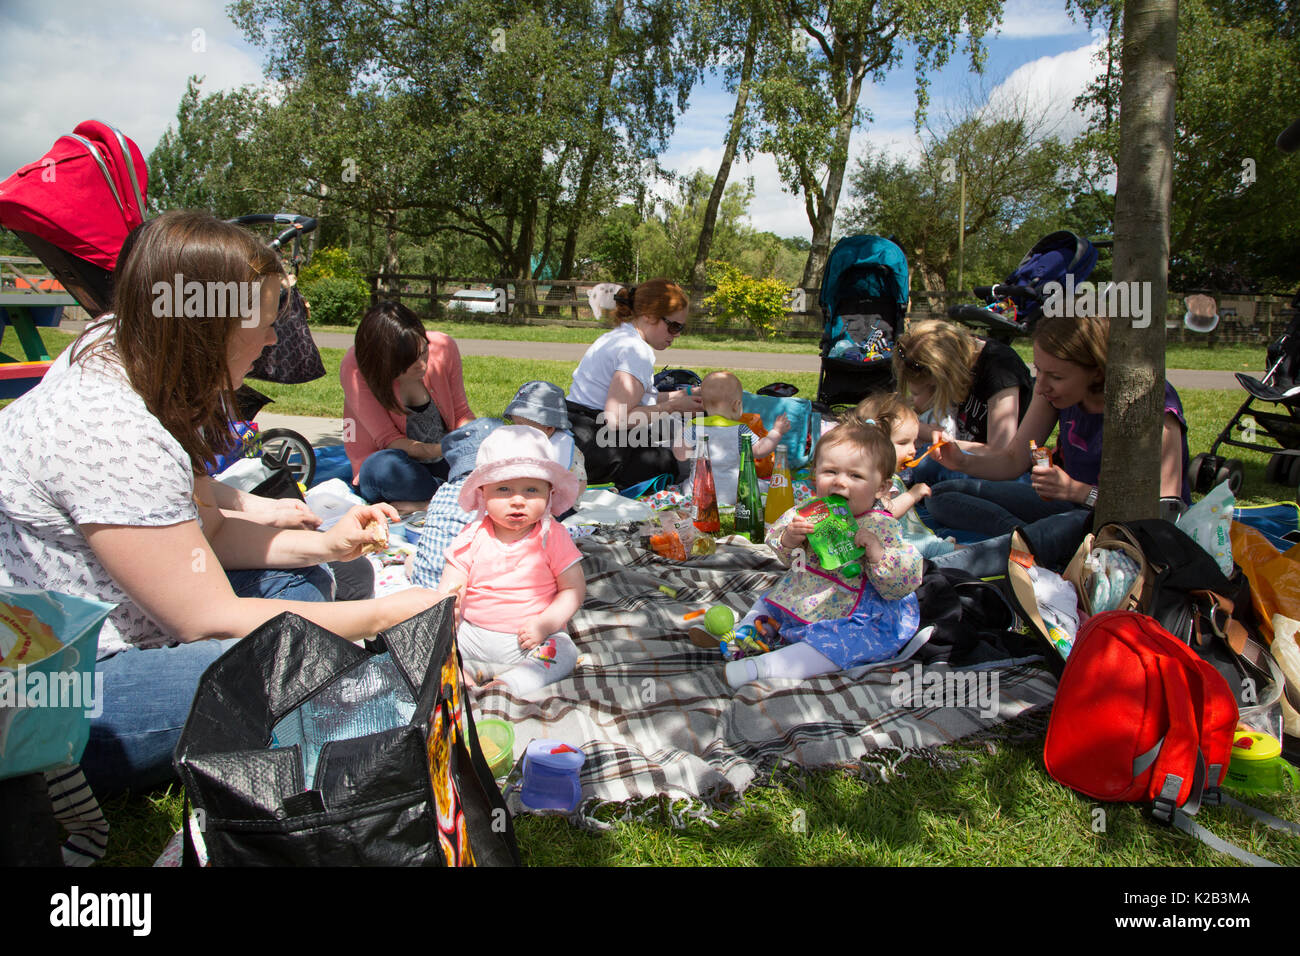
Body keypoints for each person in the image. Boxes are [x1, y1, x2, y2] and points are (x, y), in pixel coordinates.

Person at [0, 211, 443, 794]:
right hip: (65, 684)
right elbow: (205, 616)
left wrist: (324, 544)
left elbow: (195, 533)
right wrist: (386, 616)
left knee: (326, 580)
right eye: (262, 321)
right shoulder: (111, 431)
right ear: (205, 327)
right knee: (300, 657)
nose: (271, 339)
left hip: (143, 611)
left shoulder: (122, 347)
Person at [925, 312, 1190, 553]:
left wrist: (1079, 492)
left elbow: (1163, 512)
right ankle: (1029, 544)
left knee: (1061, 527)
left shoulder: (1150, 405)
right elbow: (1014, 460)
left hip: (1113, 524)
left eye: (1056, 376)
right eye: (1038, 371)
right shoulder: (1055, 396)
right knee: (940, 495)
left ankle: (1013, 548)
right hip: (1068, 506)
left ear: (1097, 373)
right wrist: (962, 461)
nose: (1040, 387)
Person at [721, 421, 922, 688]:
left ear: (881, 489)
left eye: (855, 476)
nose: (840, 481)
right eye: (830, 471)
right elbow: (784, 552)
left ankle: (762, 668)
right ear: (815, 474)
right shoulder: (809, 511)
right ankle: (741, 636)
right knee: (768, 601)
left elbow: (905, 579)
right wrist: (790, 539)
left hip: (855, 616)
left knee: (839, 643)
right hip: (805, 595)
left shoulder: (880, 525)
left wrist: (877, 554)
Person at [436, 426, 585, 694]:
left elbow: (573, 589)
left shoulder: (553, 536)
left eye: (531, 490)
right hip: (472, 634)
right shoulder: (471, 536)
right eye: (503, 489)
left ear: (549, 494)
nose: (518, 501)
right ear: (483, 493)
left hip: (530, 638)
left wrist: (547, 623)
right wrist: (451, 601)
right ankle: (463, 670)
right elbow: (451, 585)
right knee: (434, 638)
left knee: (564, 651)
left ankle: (511, 682)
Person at [566, 279, 704, 489]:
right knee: (667, 461)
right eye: (674, 326)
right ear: (649, 315)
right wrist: (673, 408)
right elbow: (617, 419)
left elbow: (636, 397)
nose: (676, 335)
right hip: (592, 445)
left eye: (681, 328)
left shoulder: (618, 336)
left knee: (663, 438)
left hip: (575, 431)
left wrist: (686, 394)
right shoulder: (636, 351)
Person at [340, 300, 475, 510]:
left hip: (442, 462)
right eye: (409, 362)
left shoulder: (443, 347)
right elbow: (388, 440)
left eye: (423, 353)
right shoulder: (355, 366)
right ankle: (453, 496)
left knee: (490, 432)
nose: (422, 365)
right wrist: (444, 449)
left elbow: (461, 413)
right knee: (385, 467)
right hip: (396, 468)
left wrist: (474, 440)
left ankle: (432, 501)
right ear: (383, 362)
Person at [892, 319, 1033, 483]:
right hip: (959, 455)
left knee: (926, 464)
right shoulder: (951, 354)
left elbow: (1001, 452)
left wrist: (925, 435)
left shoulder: (1000, 370)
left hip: (992, 469)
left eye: (933, 387)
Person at [842, 393, 957, 559]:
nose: (912, 450)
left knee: (928, 541)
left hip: (894, 534)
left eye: (914, 441)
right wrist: (913, 495)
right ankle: (960, 552)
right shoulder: (877, 480)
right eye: (903, 443)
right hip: (883, 540)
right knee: (928, 545)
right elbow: (886, 513)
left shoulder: (883, 474)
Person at [673, 371, 789, 505]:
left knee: (685, 484)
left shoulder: (695, 427)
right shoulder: (741, 430)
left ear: (703, 404)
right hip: (736, 493)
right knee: (761, 485)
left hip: (699, 494)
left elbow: (681, 455)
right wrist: (776, 432)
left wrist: (680, 434)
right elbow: (761, 450)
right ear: (736, 405)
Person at [505, 380, 588, 500]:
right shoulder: (519, 443)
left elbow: (580, 483)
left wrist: (560, 503)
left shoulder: (565, 450)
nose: (517, 430)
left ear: (548, 428)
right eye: (514, 423)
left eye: (523, 426)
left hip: (558, 504)